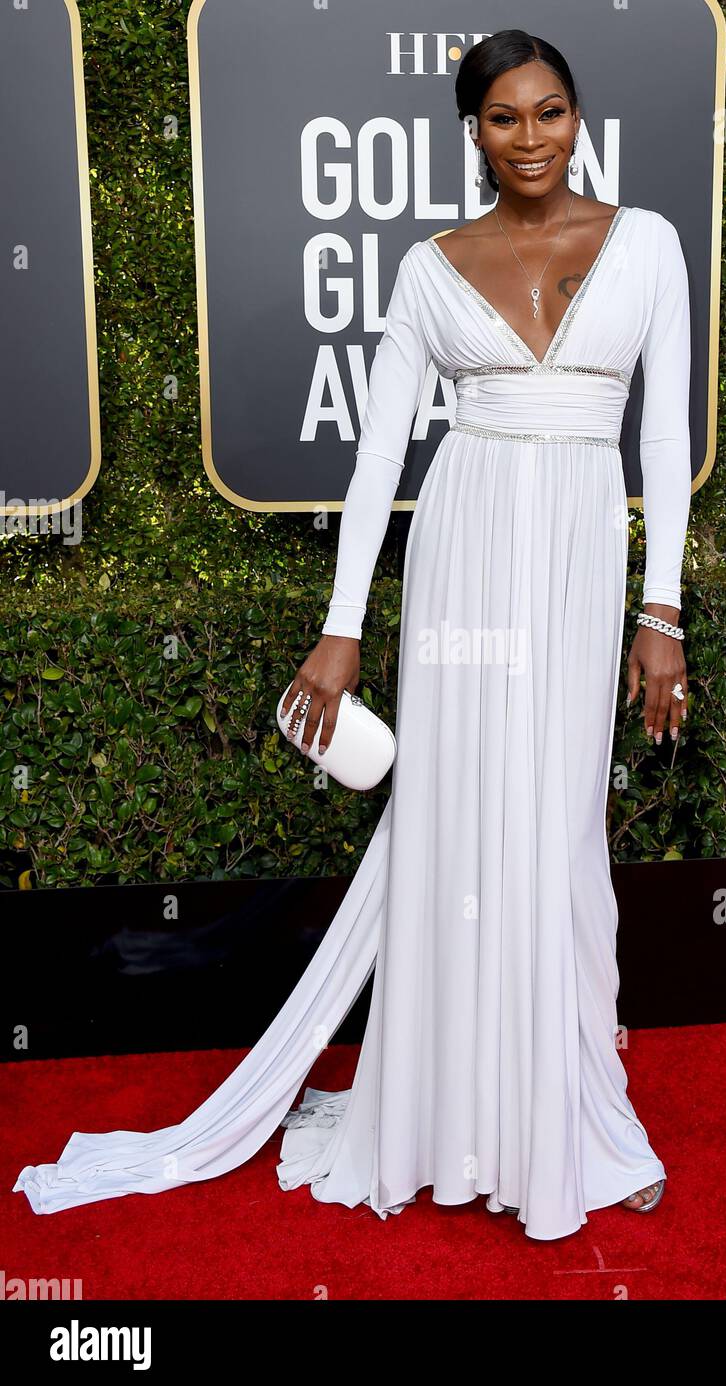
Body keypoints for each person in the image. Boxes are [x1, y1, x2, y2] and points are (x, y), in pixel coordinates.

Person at [13, 29, 691, 1241]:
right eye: (502, 118)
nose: (529, 138)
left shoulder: (647, 245)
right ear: (471, 131)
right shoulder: (433, 268)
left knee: (559, 837)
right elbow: (382, 456)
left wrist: (661, 612)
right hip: (465, 557)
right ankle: (447, 1111)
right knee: (455, 828)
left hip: (583, 560)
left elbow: (663, 449)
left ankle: (578, 1113)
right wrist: (341, 630)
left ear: (579, 117)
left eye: (549, 113)